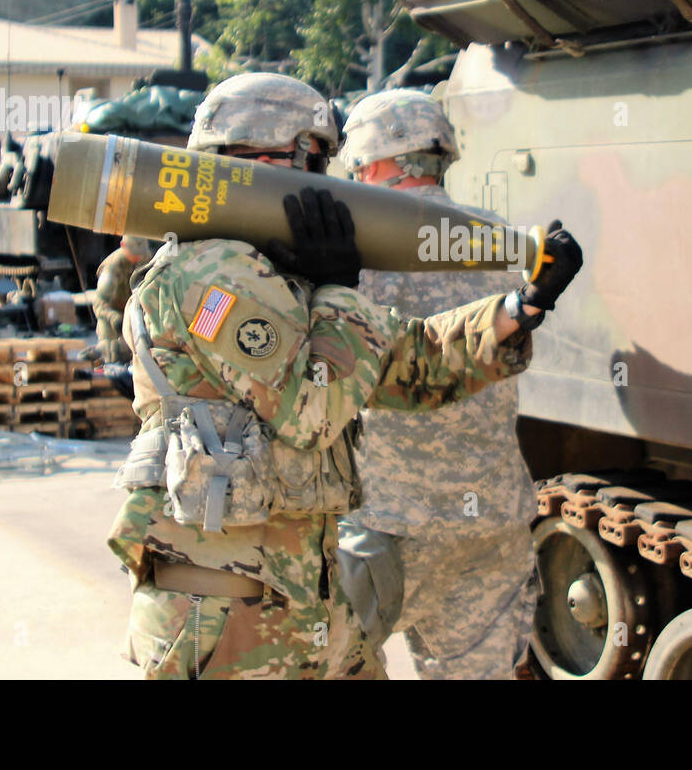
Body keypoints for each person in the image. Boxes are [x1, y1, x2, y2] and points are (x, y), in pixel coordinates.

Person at [106, 73, 583, 680]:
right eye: (312, 160)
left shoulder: (275, 269)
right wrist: (337, 288)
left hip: (306, 599)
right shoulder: (209, 273)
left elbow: (399, 359)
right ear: (264, 160)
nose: (325, 180)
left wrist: (521, 309)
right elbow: (312, 412)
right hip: (228, 615)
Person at [335, 89, 538, 679]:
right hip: (492, 520)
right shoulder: (498, 236)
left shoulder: (358, 248)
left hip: (390, 524)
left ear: (371, 161)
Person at [92, 236, 152, 364]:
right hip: (113, 316)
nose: (139, 258)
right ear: (123, 246)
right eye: (135, 254)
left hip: (135, 312)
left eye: (141, 254)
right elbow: (99, 304)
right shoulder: (111, 268)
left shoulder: (147, 259)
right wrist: (114, 318)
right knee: (110, 351)